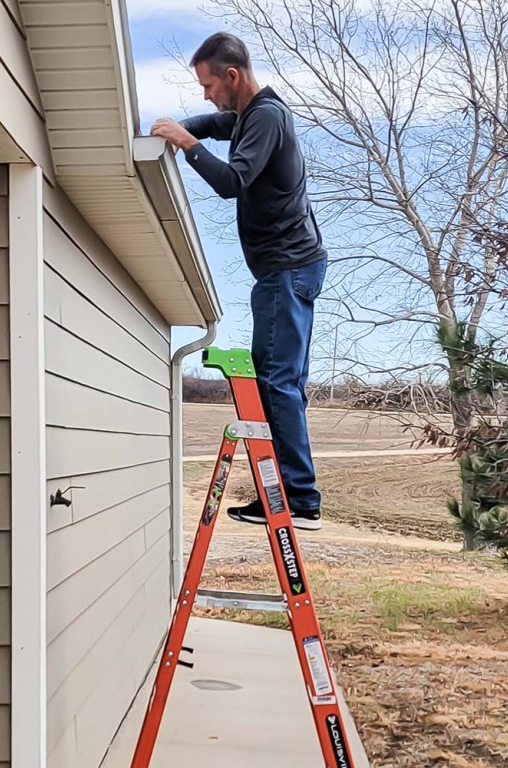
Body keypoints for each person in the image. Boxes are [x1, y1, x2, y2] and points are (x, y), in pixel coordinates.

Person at [152, 32, 326, 531]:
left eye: (209, 84)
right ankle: (293, 495)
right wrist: (180, 127)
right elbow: (214, 122)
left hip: (285, 269)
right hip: (293, 267)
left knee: (275, 384)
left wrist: (185, 145)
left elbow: (231, 183)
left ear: (233, 76)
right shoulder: (251, 115)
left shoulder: (266, 118)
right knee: (283, 383)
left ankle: (297, 500)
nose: (205, 95)